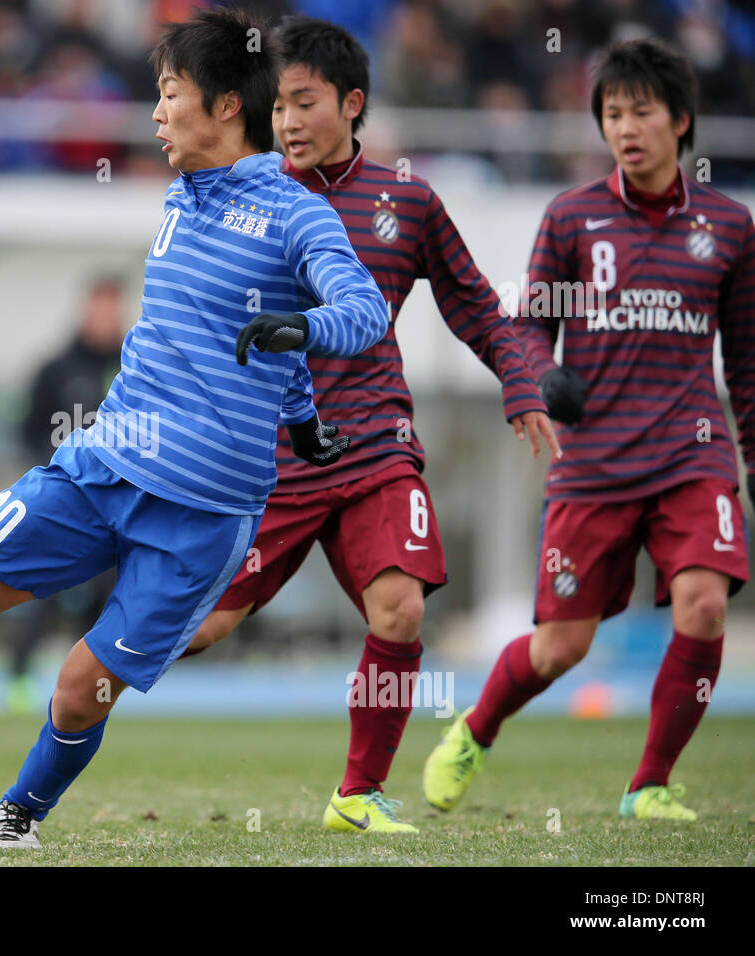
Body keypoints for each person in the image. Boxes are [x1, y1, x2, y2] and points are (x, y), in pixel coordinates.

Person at [0, 7, 388, 850]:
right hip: (101, 465)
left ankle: (18, 815)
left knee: (77, 689)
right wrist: (303, 415)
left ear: (223, 106)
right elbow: (251, 332)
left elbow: (358, 311)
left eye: (169, 93)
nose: (154, 112)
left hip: (205, 513)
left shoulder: (299, 216)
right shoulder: (183, 196)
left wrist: (308, 342)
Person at [178, 17, 559, 834]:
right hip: (265, 458)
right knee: (198, 627)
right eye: (275, 104)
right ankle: (68, 702)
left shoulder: (408, 201)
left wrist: (522, 387)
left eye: (303, 102)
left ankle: (356, 797)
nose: (285, 121)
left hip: (374, 444)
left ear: (351, 104)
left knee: (400, 610)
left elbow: (481, 313)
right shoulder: (238, 196)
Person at [423, 37, 754, 822]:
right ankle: (475, 728)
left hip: (691, 452)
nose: (625, 128)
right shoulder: (572, 217)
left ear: (680, 120)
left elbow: (744, 361)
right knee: (560, 649)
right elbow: (528, 327)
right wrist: (543, 377)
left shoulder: (731, 227)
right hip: (594, 460)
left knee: (703, 604)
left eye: (640, 112)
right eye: (612, 114)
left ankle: (650, 783)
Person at [5, 276, 126, 712]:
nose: (107, 317)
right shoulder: (56, 369)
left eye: (114, 308)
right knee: (45, 588)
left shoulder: (136, 365)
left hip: (119, 505)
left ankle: (87, 686)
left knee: (108, 595)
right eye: (100, 307)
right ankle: (17, 681)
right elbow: (26, 430)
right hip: (64, 499)